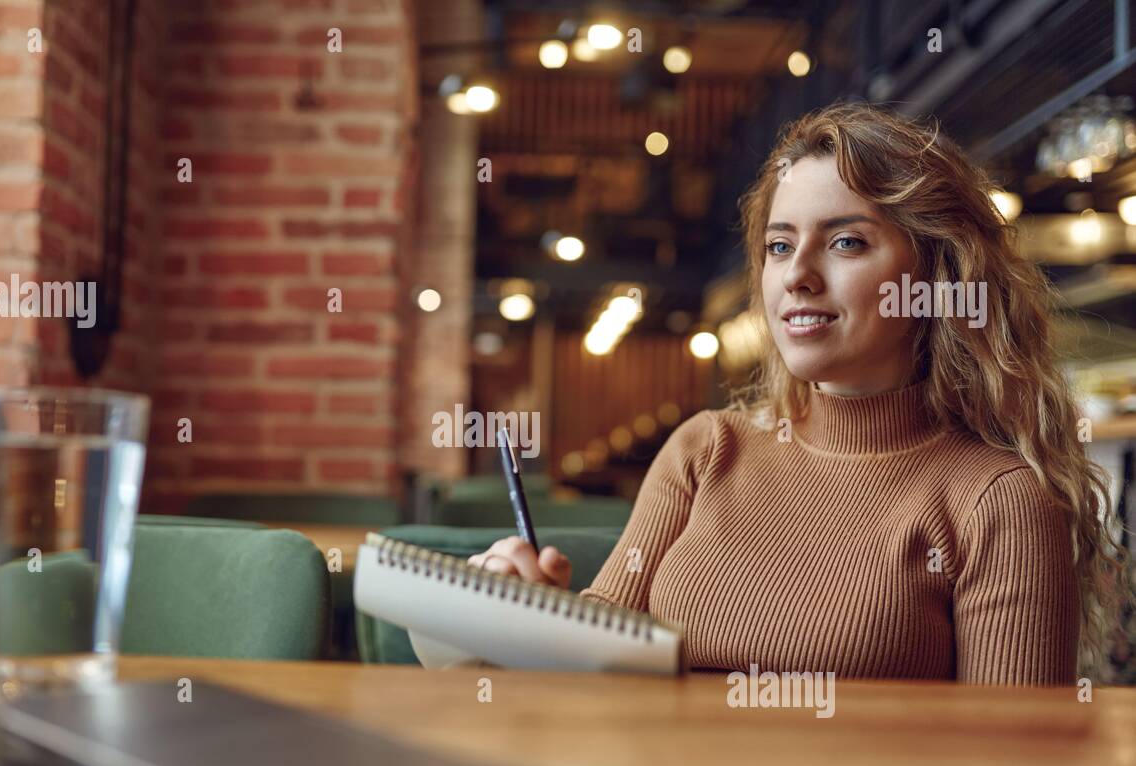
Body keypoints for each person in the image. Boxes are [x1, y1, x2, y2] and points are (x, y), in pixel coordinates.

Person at [468, 102, 1130, 684]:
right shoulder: (706, 450)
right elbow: (597, 652)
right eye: (779, 246)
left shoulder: (998, 501)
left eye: (845, 242)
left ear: (937, 271)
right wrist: (518, 613)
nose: (798, 277)